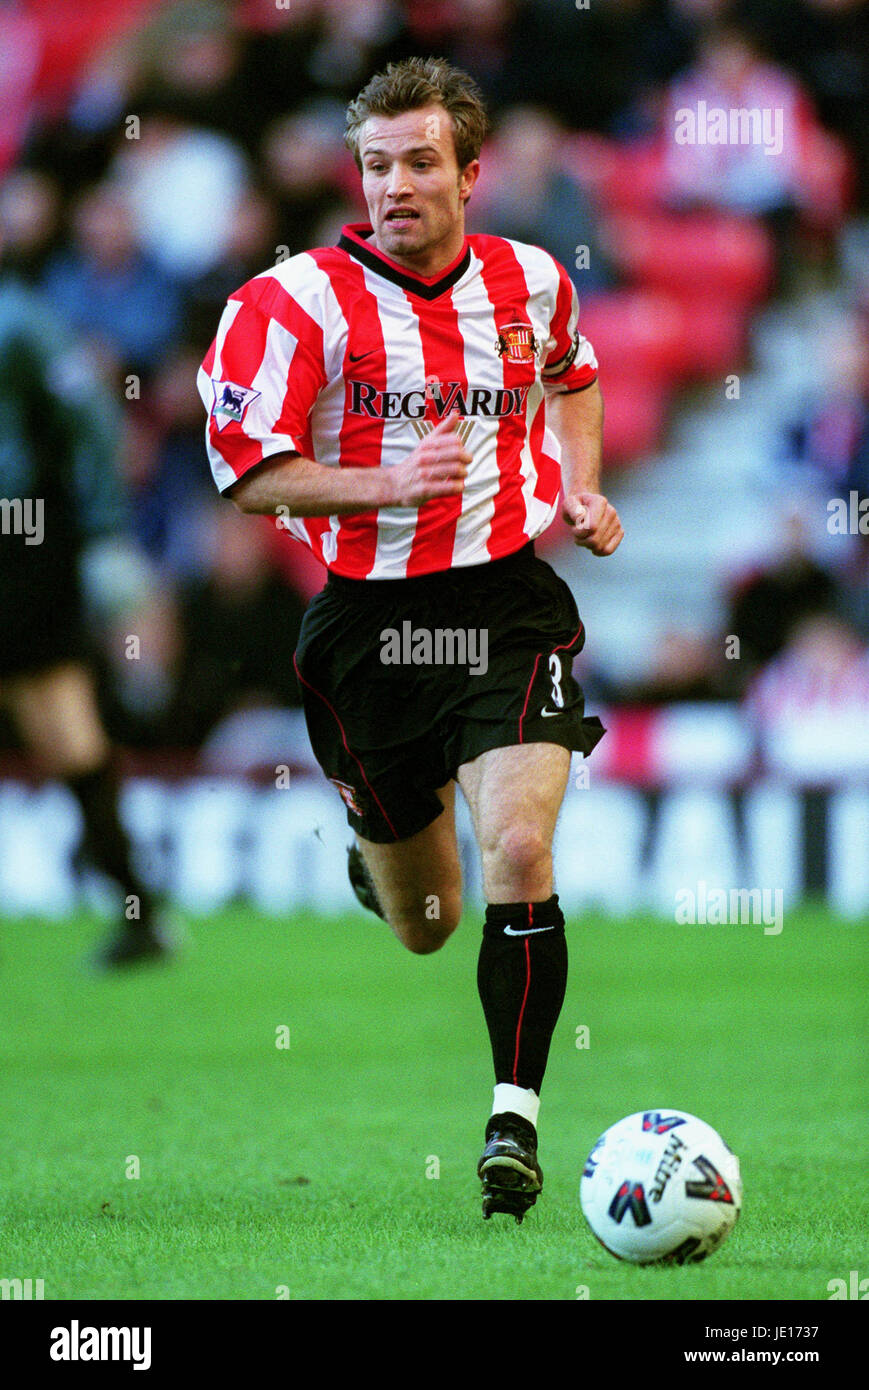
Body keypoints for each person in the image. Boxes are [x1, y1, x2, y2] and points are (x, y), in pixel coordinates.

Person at [198, 57, 623, 1222]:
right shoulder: (288, 305)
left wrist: (579, 490)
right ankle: (379, 857)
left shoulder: (533, 283)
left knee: (522, 852)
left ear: (471, 174)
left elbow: (574, 377)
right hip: (368, 635)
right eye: (375, 164)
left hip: (504, 605)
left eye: (419, 162)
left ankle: (512, 1126)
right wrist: (388, 478)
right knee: (428, 925)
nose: (394, 185)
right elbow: (249, 480)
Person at [0, 267, 172, 969]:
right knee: (63, 732)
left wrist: (103, 531)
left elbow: (94, 419)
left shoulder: (20, 320)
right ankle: (140, 908)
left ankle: (140, 910)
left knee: (64, 728)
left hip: (23, 543)